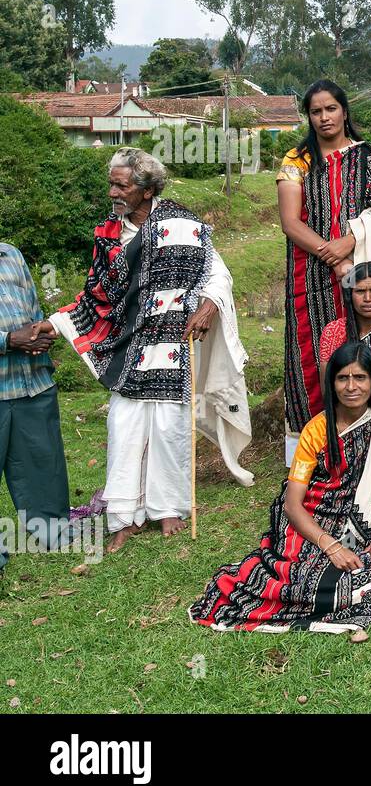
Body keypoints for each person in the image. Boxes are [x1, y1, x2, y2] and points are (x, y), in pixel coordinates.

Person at [52, 149, 252, 554]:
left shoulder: (182, 222)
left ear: (148, 189)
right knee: (123, 428)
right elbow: (97, 292)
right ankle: (124, 516)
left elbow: (217, 273)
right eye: (112, 183)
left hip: (174, 342)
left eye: (122, 185)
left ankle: (168, 509)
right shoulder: (109, 232)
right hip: (128, 344)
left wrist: (209, 304)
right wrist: (56, 322)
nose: (114, 192)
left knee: (169, 426)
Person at [190, 343, 371, 633]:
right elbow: (293, 503)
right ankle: (310, 592)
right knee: (302, 571)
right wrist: (330, 545)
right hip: (316, 517)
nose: (351, 386)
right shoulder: (315, 430)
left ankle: (327, 590)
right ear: (331, 382)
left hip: (368, 524)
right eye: (342, 378)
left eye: (360, 378)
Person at [278, 80, 371, 462]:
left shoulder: (366, 157)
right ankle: (312, 446)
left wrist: (349, 242)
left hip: (361, 271)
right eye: (316, 111)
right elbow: (290, 223)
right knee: (310, 351)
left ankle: (364, 440)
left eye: (331, 108)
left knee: (361, 348)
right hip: (310, 273)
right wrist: (331, 254)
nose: (324, 117)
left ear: (344, 112)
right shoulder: (296, 161)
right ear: (309, 117)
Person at [0, 243, 70, 573]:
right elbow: (11, 336)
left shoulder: (10, 254)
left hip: (32, 381)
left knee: (44, 462)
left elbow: (33, 308)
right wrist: (8, 341)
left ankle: (52, 532)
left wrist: (38, 333)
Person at [318, 262, 371, 399]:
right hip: (346, 409)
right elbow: (328, 389)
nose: (368, 299)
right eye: (360, 291)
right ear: (349, 295)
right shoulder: (334, 331)